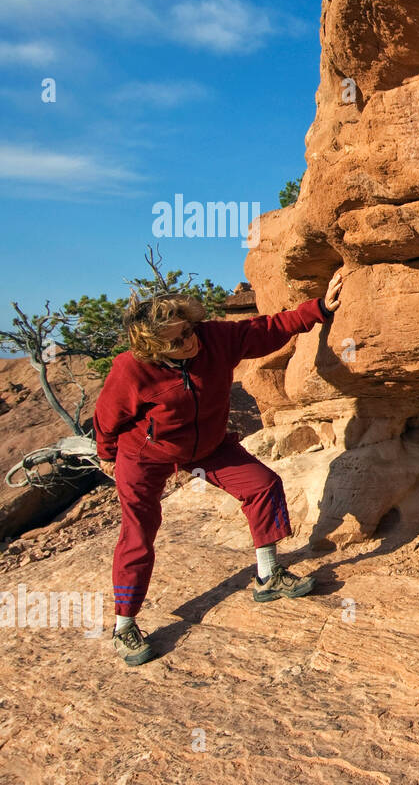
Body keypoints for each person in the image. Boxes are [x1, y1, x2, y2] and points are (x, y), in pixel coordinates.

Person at [92, 270, 344, 666]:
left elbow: (265, 329)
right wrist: (107, 456)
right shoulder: (130, 369)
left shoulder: (211, 339)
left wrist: (318, 309)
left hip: (206, 447)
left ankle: (268, 576)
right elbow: (107, 418)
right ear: (154, 348)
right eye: (176, 342)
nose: (189, 342)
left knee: (263, 485)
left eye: (188, 330)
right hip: (144, 455)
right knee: (138, 535)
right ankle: (124, 625)